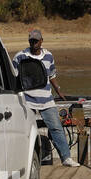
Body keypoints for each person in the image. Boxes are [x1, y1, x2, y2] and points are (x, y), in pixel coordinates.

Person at [13, 28, 79, 168]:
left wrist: (58, 90)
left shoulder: (48, 55)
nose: (34, 43)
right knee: (25, 131)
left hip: (46, 100)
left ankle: (66, 158)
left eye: (36, 41)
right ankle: (22, 162)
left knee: (56, 128)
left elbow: (52, 75)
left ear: (41, 41)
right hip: (27, 100)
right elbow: (14, 77)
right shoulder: (20, 56)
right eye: (31, 40)